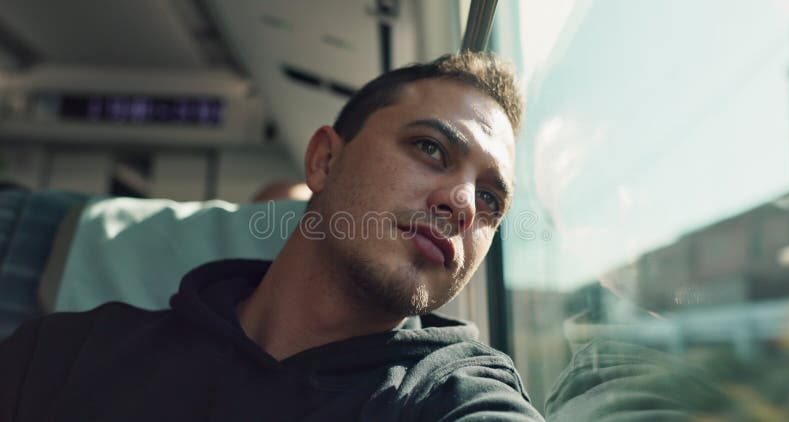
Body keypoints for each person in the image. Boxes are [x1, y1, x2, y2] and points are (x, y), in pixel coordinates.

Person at [0, 52, 544, 421]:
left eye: (492, 200)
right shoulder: (68, 352)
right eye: (431, 148)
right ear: (325, 160)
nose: (465, 205)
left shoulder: (450, 395)